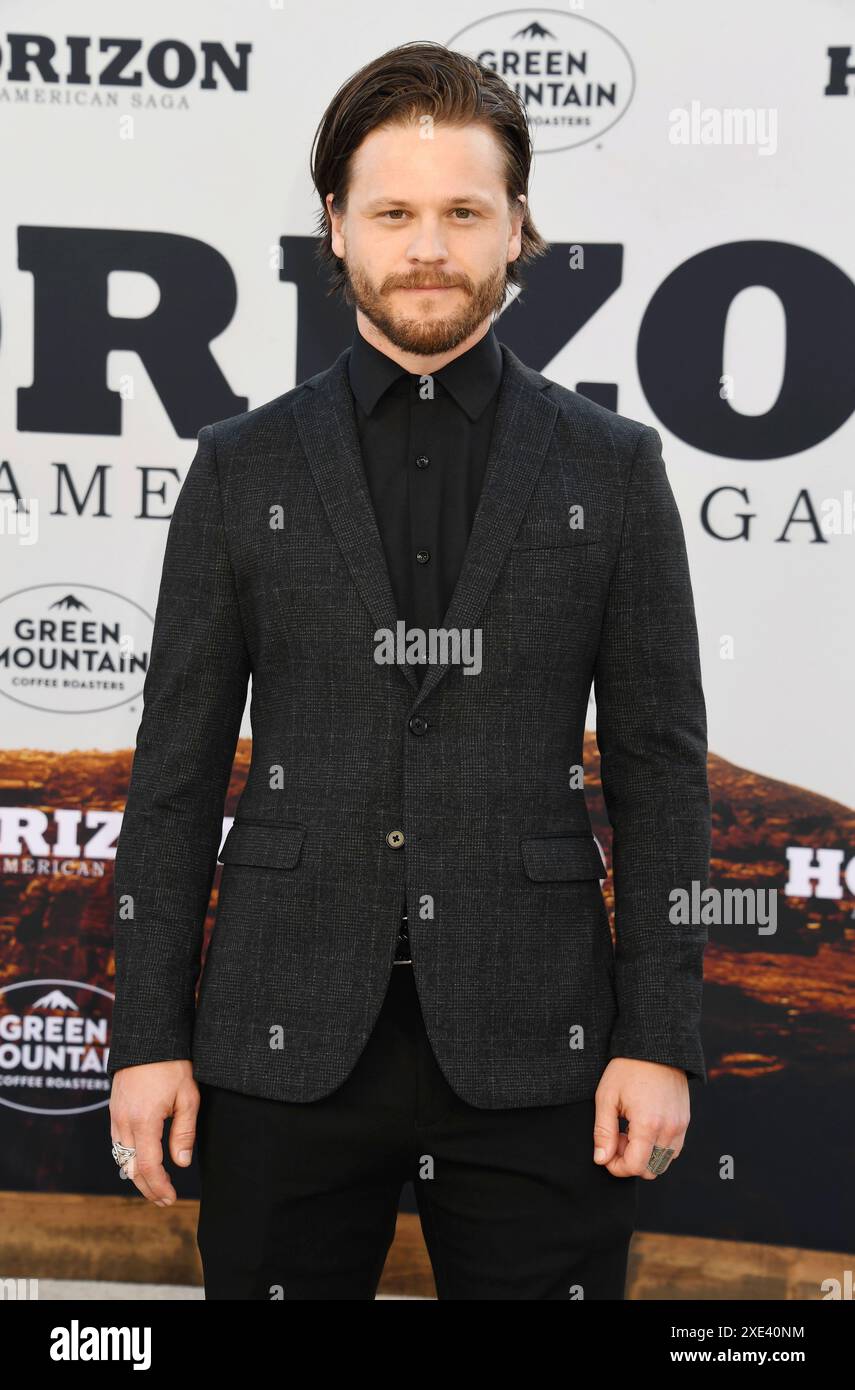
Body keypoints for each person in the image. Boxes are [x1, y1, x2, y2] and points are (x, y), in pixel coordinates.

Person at [108, 40, 711, 1300]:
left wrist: (661, 1039)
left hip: (541, 1045)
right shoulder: (241, 469)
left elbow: (659, 777)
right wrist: (148, 1038)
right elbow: (172, 779)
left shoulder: (614, 469)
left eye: (461, 211)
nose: (427, 244)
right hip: (281, 1040)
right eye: (392, 211)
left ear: (516, 227)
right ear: (335, 226)